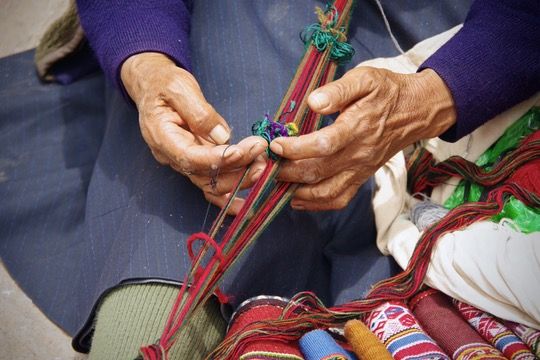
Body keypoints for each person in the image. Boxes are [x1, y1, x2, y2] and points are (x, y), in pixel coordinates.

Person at [0, 0, 538, 358]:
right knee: (224, 125)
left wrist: (443, 93)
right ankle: (155, 322)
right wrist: (146, 66)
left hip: (474, 27)